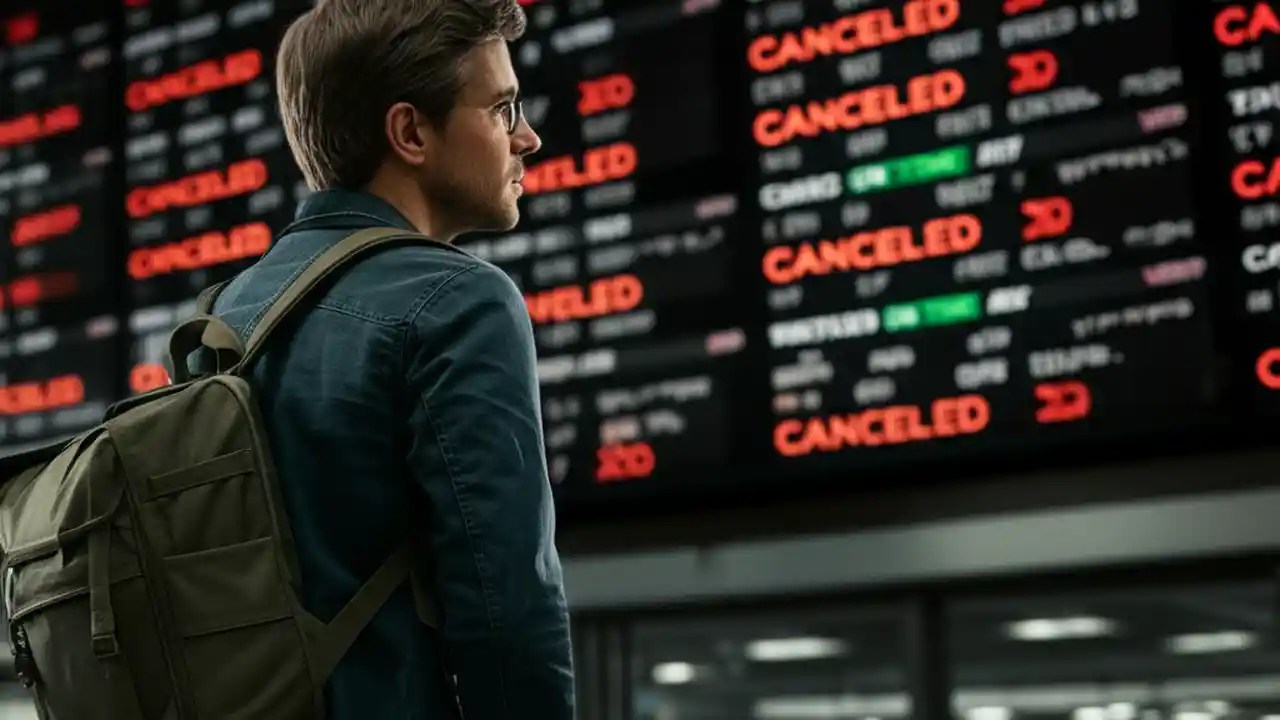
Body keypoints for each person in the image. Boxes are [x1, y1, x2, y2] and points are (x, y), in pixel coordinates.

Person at [205, 1, 574, 717]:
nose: (527, 137)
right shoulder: (460, 301)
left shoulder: (222, 315)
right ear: (410, 132)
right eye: (502, 108)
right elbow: (509, 615)